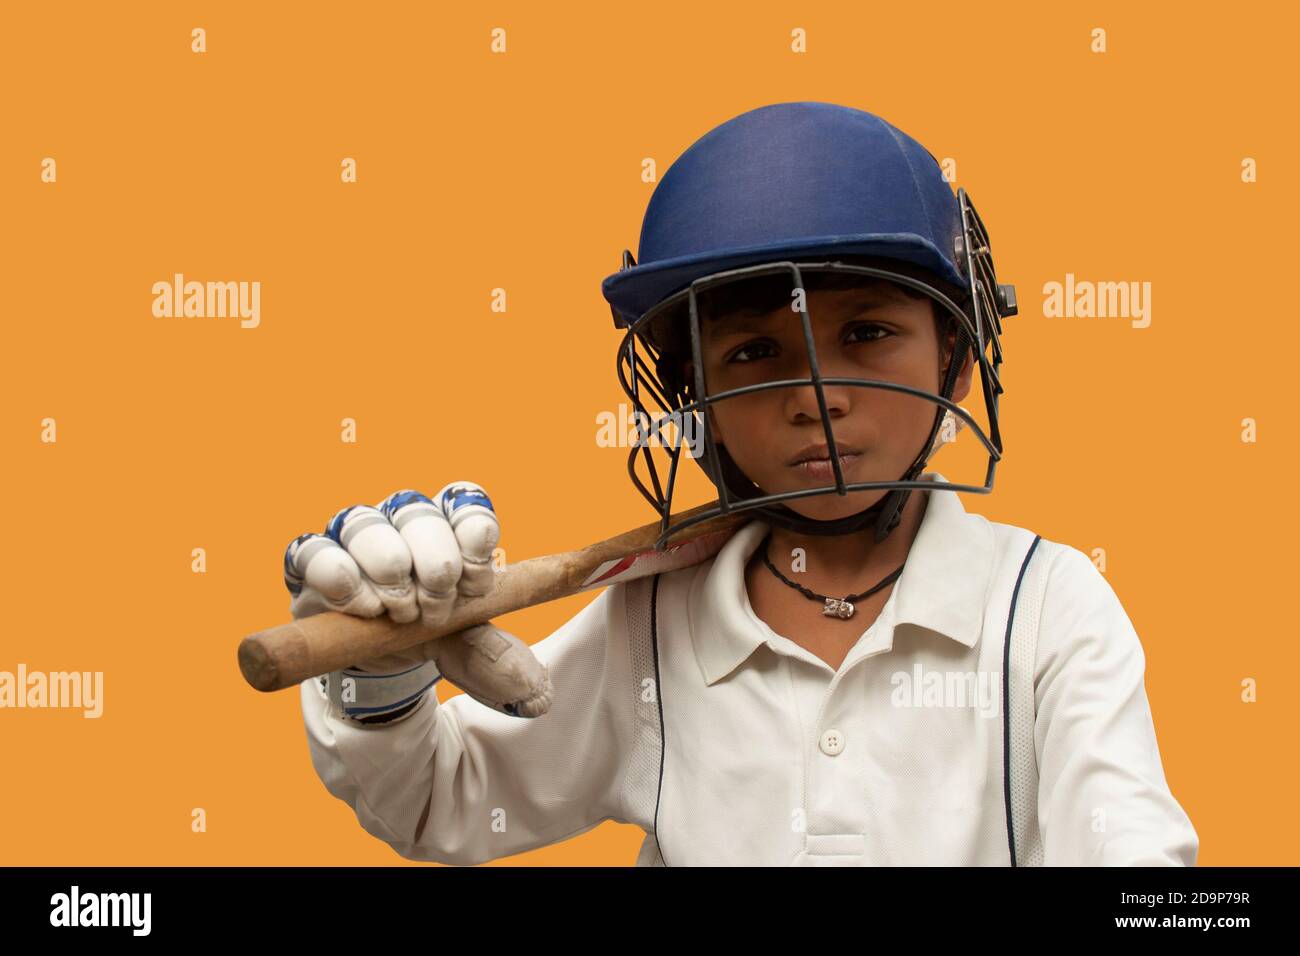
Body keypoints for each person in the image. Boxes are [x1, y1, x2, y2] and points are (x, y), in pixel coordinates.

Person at [290, 101, 1199, 866]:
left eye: (868, 333)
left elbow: (1135, 857)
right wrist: (381, 679)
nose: (815, 397)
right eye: (756, 353)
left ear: (956, 357)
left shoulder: (1046, 607)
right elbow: (443, 802)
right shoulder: (654, 621)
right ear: (696, 399)